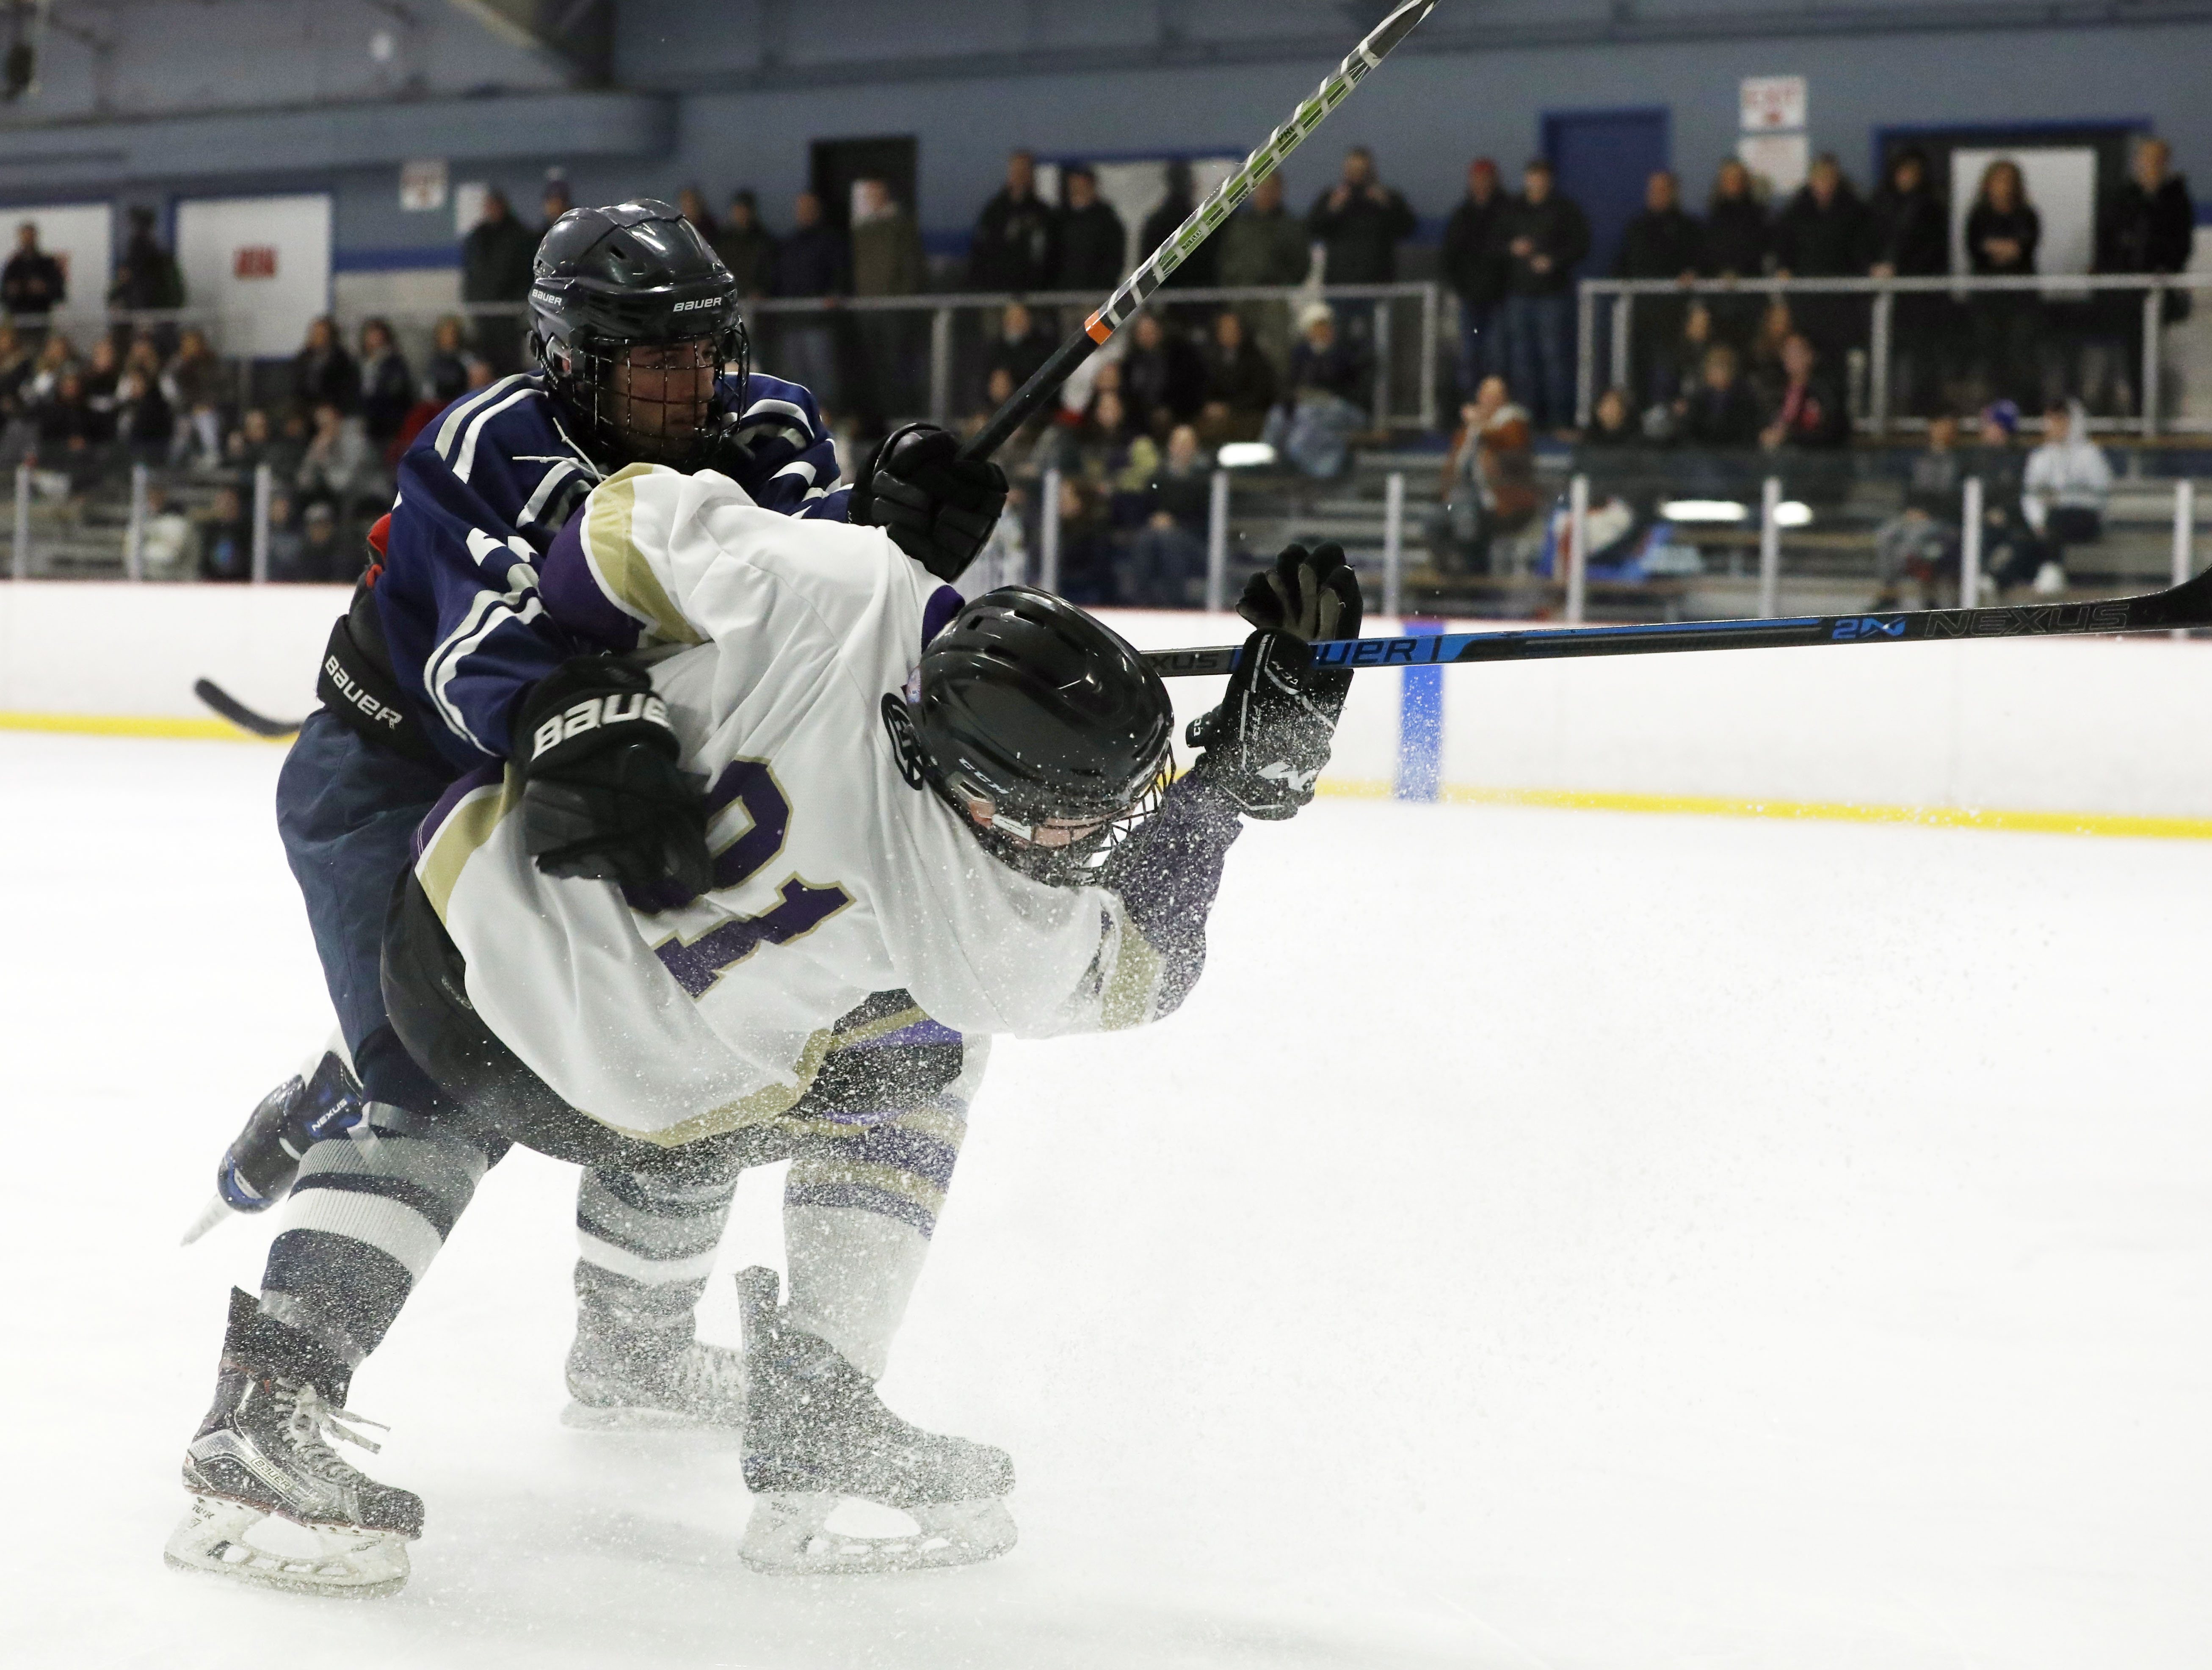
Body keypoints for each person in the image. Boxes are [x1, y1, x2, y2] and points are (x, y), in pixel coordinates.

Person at [175, 444, 1359, 1594]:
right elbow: (1151, 960)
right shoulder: (980, 917)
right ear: (984, 792)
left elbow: (614, 529)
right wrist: (1228, 791)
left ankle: (271, 1389)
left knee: (446, 1085)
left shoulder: (847, 583)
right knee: (920, 1049)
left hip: (446, 936)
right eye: (1063, 822)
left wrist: (612, 683)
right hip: (614, 1095)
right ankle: (819, 1404)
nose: (1081, 845)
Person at [166, 201, 1016, 1593]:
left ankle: (636, 1349)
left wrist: (905, 534)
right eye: (649, 367)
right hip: (400, 779)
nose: (687, 390)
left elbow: (812, 595)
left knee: (718, 1025)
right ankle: (257, 1419)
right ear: (568, 358)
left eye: (701, 356)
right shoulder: (485, 445)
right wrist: (586, 721)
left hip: (629, 770)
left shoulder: (772, 429)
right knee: (437, 1086)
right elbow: (473, 645)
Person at [2099, 136, 2195, 411]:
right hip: (2126, 291)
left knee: (2153, 354)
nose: (2151, 166)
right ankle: (2137, 413)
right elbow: (2107, 241)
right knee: (2131, 354)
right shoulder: (2122, 197)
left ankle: (2154, 414)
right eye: (2146, 160)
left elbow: (2181, 245)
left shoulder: (2175, 200)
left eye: (2157, 161)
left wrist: (2164, 268)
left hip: (2158, 290)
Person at [1495, 157, 1590, 431]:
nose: (1537, 182)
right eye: (1532, 176)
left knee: (1555, 359)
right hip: (1518, 295)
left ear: (1550, 179)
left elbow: (1581, 244)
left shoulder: (1565, 209)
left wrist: (1554, 260)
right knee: (1521, 361)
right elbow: (1495, 242)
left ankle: (1560, 420)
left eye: (1542, 177)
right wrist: (1512, 248)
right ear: (1526, 178)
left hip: (1553, 295)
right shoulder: (1512, 209)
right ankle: (1526, 423)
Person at [1866, 148, 1952, 417]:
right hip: (1883, 295)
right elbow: (1867, 242)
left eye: (1913, 173)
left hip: (1920, 297)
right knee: (1885, 353)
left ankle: (1921, 413)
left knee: (1922, 356)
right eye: (1903, 172)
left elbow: (1934, 249)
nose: (1907, 178)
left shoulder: (1933, 208)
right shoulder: (1879, 204)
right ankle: (1881, 411)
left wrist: (1901, 270)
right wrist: (1874, 267)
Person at [1768, 153, 1870, 364]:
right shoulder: (1796, 212)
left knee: (1839, 356)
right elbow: (1784, 247)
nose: (1824, 184)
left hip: (1842, 299)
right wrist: (1784, 268)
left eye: (1829, 178)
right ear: (1811, 180)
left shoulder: (1854, 211)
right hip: (1807, 299)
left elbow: (1862, 250)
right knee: (1808, 353)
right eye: (1819, 178)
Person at [1430, 374, 1536, 575]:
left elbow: (1506, 444)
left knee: (1466, 515)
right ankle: (1445, 575)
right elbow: (1452, 465)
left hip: (1500, 498)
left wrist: (1480, 426)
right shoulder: (1468, 430)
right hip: (1462, 495)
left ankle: (1471, 576)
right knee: (1434, 521)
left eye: (1495, 396)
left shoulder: (1514, 423)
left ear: (1504, 399)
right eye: (1485, 395)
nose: (1488, 401)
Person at [1614, 169, 1703, 407]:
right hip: (1642, 310)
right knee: (1639, 367)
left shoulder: (1689, 228)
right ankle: (1642, 417)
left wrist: (1693, 273)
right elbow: (1621, 265)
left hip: (1674, 311)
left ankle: (1672, 419)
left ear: (1674, 192)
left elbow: (1700, 263)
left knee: (1672, 369)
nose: (1657, 195)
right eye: (1653, 190)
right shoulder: (1636, 227)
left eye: (1663, 190)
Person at [2010, 397, 2110, 593]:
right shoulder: (2041, 457)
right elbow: (2030, 495)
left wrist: (2067, 501)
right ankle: (2004, 578)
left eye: (2060, 420)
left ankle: (2052, 568)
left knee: (2058, 518)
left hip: (2084, 519)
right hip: (2050, 522)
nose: (2054, 426)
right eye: (2051, 420)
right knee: (2023, 535)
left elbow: (2100, 496)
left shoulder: (2090, 454)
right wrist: (2039, 522)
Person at [1262, 302, 1370, 479]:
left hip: (1340, 407)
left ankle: (1314, 469)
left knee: (1306, 419)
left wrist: (1324, 396)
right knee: (1277, 415)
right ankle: (1267, 460)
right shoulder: (1300, 355)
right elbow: (1291, 387)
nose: (1321, 331)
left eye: (1324, 326)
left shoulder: (1344, 353)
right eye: (1316, 327)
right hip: (1308, 405)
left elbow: (1352, 388)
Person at [850, 177, 926, 428]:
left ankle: (901, 419)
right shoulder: (862, 228)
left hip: (894, 309)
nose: (873, 198)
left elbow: (911, 265)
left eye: (877, 193)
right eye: (869, 194)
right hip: (867, 308)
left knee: (897, 364)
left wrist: (900, 298)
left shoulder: (901, 224)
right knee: (873, 367)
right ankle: (877, 422)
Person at [1964, 158, 2041, 408]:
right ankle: (1993, 411)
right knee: (1991, 354)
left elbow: (2024, 248)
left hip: (2021, 300)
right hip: (1987, 299)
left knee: (2021, 353)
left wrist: (2000, 249)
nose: (2004, 186)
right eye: (1999, 180)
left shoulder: (2027, 215)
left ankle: (2025, 410)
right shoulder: (1978, 215)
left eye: (2009, 181)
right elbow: (1976, 249)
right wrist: (2001, 249)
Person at [1215, 170, 1311, 365]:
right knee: (1234, 348)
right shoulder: (1239, 225)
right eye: (1261, 189)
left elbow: (1302, 264)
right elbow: (1225, 259)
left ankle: (1277, 392)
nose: (1265, 193)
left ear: (1279, 191)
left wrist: (1281, 284)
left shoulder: (1290, 225)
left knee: (1276, 351)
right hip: (1239, 297)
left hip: (1272, 299)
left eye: (1270, 188)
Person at [1871, 411, 1964, 609]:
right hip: (1914, 516)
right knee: (1886, 534)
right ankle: (1889, 590)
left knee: (1913, 542)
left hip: (1942, 521)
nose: (1942, 430)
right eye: (1939, 425)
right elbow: (1911, 490)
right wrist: (1911, 510)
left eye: (1948, 426)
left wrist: (1928, 513)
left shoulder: (1961, 460)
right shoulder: (1920, 458)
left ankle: (1914, 594)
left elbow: (1957, 499)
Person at [773, 190, 851, 413]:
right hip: (792, 321)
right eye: (801, 208)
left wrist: (835, 293)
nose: (804, 213)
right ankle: (801, 418)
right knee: (796, 377)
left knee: (822, 376)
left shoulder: (830, 241)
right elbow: (780, 277)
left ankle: (826, 420)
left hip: (818, 322)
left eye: (809, 208)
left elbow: (839, 274)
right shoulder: (791, 243)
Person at [1442, 159, 1510, 401]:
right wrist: (1459, 286)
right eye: (1477, 178)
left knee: (1498, 355)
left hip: (1500, 298)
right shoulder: (1462, 214)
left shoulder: (1507, 210)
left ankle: (1497, 407)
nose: (1481, 183)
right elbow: (1450, 255)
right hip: (1470, 298)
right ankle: (1470, 407)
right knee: (1470, 354)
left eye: (1486, 178)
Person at [1122, 422, 1213, 605]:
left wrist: (1175, 522)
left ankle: (1175, 602)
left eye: (1187, 444)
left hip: (1194, 540)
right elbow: (1145, 509)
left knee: (1169, 539)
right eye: (1178, 443)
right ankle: (1141, 602)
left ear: (1195, 448)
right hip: (1156, 534)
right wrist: (1156, 520)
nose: (1182, 448)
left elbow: (1206, 519)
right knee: (1145, 538)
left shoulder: (1205, 480)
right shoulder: (1158, 478)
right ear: (1170, 446)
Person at [1306, 146, 1417, 286]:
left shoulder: (1387, 198)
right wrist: (1332, 210)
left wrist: (1387, 205)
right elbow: (1313, 229)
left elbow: (1408, 228)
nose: (1358, 175)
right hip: (1339, 283)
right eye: (1353, 170)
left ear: (1371, 171)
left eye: (1362, 171)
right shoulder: (1332, 198)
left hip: (1378, 282)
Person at [461, 189, 538, 373]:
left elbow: (525, 274)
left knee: (509, 366)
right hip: (484, 314)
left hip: (509, 315)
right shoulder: (478, 236)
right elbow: (472, 275)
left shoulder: (520, 236)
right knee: (485, 367)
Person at [1701, 158, 1770, 348]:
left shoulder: (1760, 216)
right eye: (1729, 179)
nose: (1734, 183)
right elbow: (1706, 256)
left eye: (1738, 178)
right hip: (1717, 297)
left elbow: (1761, 253)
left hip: (1752, 297)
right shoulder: (1711, 219)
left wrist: (1737, 272)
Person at [969, 150, 1057, 293]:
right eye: (1017, 169)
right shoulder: (995, 211)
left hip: (1035, 294)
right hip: (996, 293)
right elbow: (981, 250)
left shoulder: (1042, 213)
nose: (1020, 174)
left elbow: (1050, 254)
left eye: (1024, 169)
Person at [1119, 309, 1205, 437]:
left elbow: (1189, 388)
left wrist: (1170, 410)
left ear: (1160, 332)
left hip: (1179, 414)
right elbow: (1129, 396)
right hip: (1141, 420)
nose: (1147, 337)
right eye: (1142, 333)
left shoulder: (1179, 357)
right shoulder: (1130, 364)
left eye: (1151, 332)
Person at [1140, 160, 1220, 298]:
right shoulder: (1201, 222)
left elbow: (1146, 272)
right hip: (1196, 301)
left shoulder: (1156, 223)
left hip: (1166, 302)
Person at [1759, 332, 1849, 453]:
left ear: (1810, 355)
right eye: (1787, 352)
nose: (1791, 358)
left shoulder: (1824, 392)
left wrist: (1789, 437)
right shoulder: (1774, 390)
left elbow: (1831, 432)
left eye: (1797, 352)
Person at [1199, 307, 1278, 443]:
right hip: (1217, 416)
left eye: (1232, 329)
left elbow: (1261, 393)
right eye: (1225, 329)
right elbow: (1202, 388)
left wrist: (1230, 408)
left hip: (1247, 414)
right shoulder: (1208, 357)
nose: (1229, 333)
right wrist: (1211, 406)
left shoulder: (1256, 358)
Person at [1676, 343, 1764, 449]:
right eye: (1714, 367)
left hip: (1736, 456)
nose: (1718, 373)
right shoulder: (1699, 398)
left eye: (1723, 367)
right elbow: (1690, 433)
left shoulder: (1744, 398)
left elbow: (1748, 432)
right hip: (1702, 456)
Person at [1055, 165, 1127, 293]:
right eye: (1073, 185)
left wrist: (1101, 288)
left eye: (1082, 184)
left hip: (1096, 298)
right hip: (1063, 297)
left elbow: (1114, 261)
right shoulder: (1058, 220)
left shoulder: (1108, 222)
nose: (1077, 189)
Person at [163, 326, 224, 466]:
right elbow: (169, 391)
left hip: (210, 410)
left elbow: (220, 389)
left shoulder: (211, 363)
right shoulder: (175, 365)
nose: (191, 348)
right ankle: (174, 462)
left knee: (205, 417)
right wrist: (188, 407)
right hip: (182, 412)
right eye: (187, 344)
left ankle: (212, 456)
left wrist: (206, 404)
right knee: (184, 426)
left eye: (194, 344)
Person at [356, 318, 416, 458]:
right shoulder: (360, 363)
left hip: (386, 418)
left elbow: (396, 392)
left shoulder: (394, 363)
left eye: (378, 336)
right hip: (363, 415)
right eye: (371, 336)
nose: (375, 340)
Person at [108, 205, 184, 314]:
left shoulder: (145, 251)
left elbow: (128, 277)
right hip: (145, 308)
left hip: (149, 307)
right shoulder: (147, 251)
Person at [712, 190, 778, 300]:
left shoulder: (764, 242)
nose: (742, 214)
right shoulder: (722, 242)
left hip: (755, 306)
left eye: (745, 209)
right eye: (739, 209)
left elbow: (770, 274)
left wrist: (761, 291)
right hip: (728, 301)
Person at [292, 316, 360, 415]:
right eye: (315, 334)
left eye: (322, 334)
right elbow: (298, 386)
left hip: (331, 405)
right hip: (306, 405)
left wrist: (331, 405)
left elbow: (345, 389)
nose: (317, 337)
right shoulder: (303, 358)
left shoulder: (341, 359)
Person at [1, 221, 66, 324]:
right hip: (17, 318)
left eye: (30, 237)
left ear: (35, 238)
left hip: (42, 317)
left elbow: (60, 294)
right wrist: (12, 291)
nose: (28, 241)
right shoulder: (13, 265)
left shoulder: (48, 264)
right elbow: (4, 295)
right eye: (25, 238)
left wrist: (44, 289)